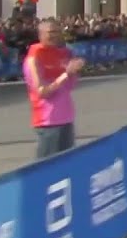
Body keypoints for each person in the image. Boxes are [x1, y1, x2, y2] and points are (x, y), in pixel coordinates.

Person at [24, 19, 85, 159]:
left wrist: (75, 71)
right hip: (48, 122)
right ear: (40, 35)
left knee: (67, 165)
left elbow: (69, 87)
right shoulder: (34, 58)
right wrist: (66, 74)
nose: (55, 36)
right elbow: (42, 92)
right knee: (47, 169)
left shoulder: (62, 54)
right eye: (50, 32)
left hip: (66, 118)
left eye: (57, 32)